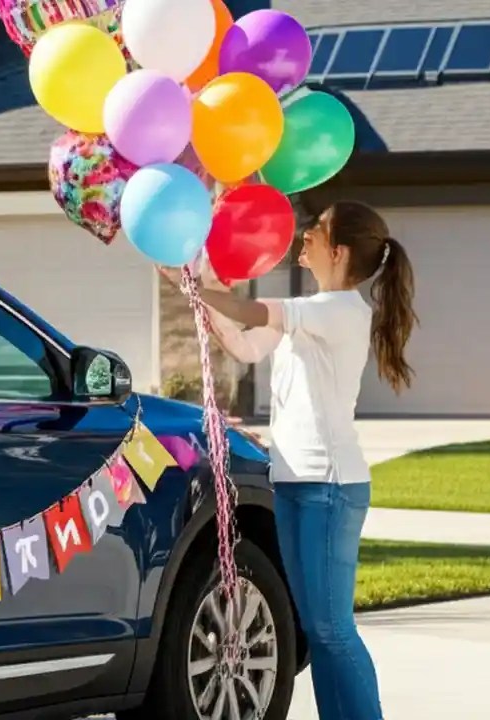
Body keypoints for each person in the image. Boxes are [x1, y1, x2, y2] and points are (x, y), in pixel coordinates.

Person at [163, 200, 417, 720]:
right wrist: (194, 292)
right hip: (297, 482)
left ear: (339, 251)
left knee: (332, 629)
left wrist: (205, 290)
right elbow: (244, 341)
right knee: (315, 626)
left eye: (316, 230)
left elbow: (257, 313)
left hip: (330, 486)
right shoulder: (312, 314)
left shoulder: (339, 310)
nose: (303, 235)